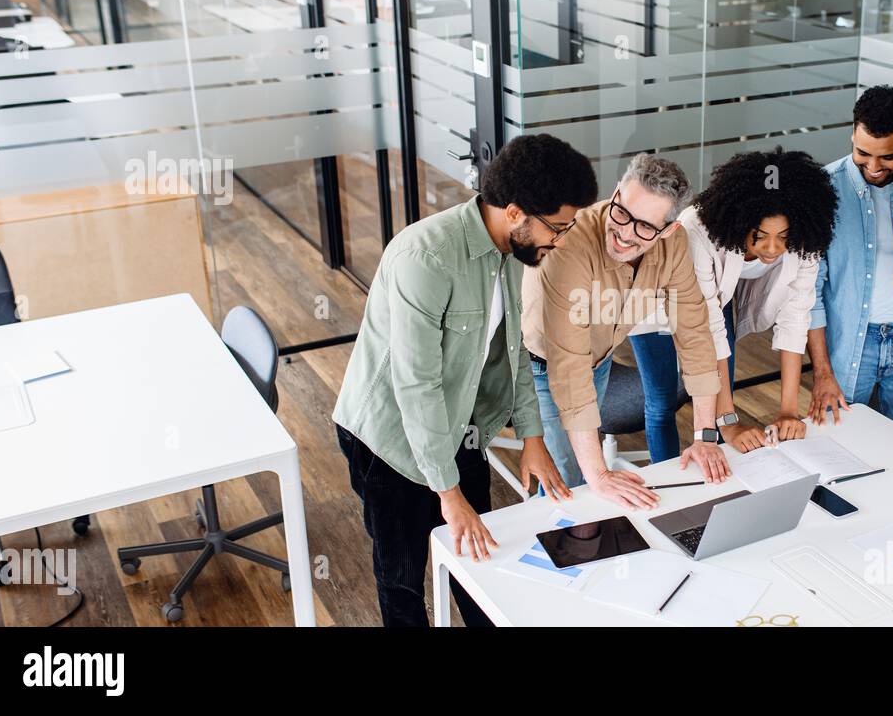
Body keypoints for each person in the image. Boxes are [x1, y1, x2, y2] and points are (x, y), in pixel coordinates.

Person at [331, 134, 597, 626]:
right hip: (389, 438)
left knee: (479, 561)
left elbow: (512, 351)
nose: (559, 240)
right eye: (557, 228)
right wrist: (448, 495)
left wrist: (533, 437)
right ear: (516, 212)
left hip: (458, 424)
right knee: (404, 577)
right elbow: (417, 386)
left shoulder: (509, 251)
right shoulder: (426, 258)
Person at [521, 153, 730, 510]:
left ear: (669, 229)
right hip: (544, 366)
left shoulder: (673, 245)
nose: (624, 234)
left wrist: (705, 435)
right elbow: (569, 368)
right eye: (622, 213)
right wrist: (599, 474)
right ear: (617, 191)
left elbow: (694, 333)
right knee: (570, 484)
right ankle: (556, 556)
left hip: (600, 360)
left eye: (646, 227)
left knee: (584, 481)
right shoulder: (569, 245)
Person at [628, 148, 838, 457]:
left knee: (721, 395)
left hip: (712, 297)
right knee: (662, 401)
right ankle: (669, 490)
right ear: (740, 222)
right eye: (761, 235)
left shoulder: (805, 239)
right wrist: (728, 423)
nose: (773, 248)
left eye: (783, 236)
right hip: (656, 302)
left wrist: (789, 413)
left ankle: (724, 477)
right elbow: (707, 330)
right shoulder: (697, 229)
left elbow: (796, 317)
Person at [807, 85, 893, 430]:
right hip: (849, 342)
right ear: (853, 134)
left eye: (888, 157)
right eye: (863, 153)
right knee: (836, 452)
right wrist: (821, 373)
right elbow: (809, 294)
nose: (874, 166)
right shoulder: (822, 191)